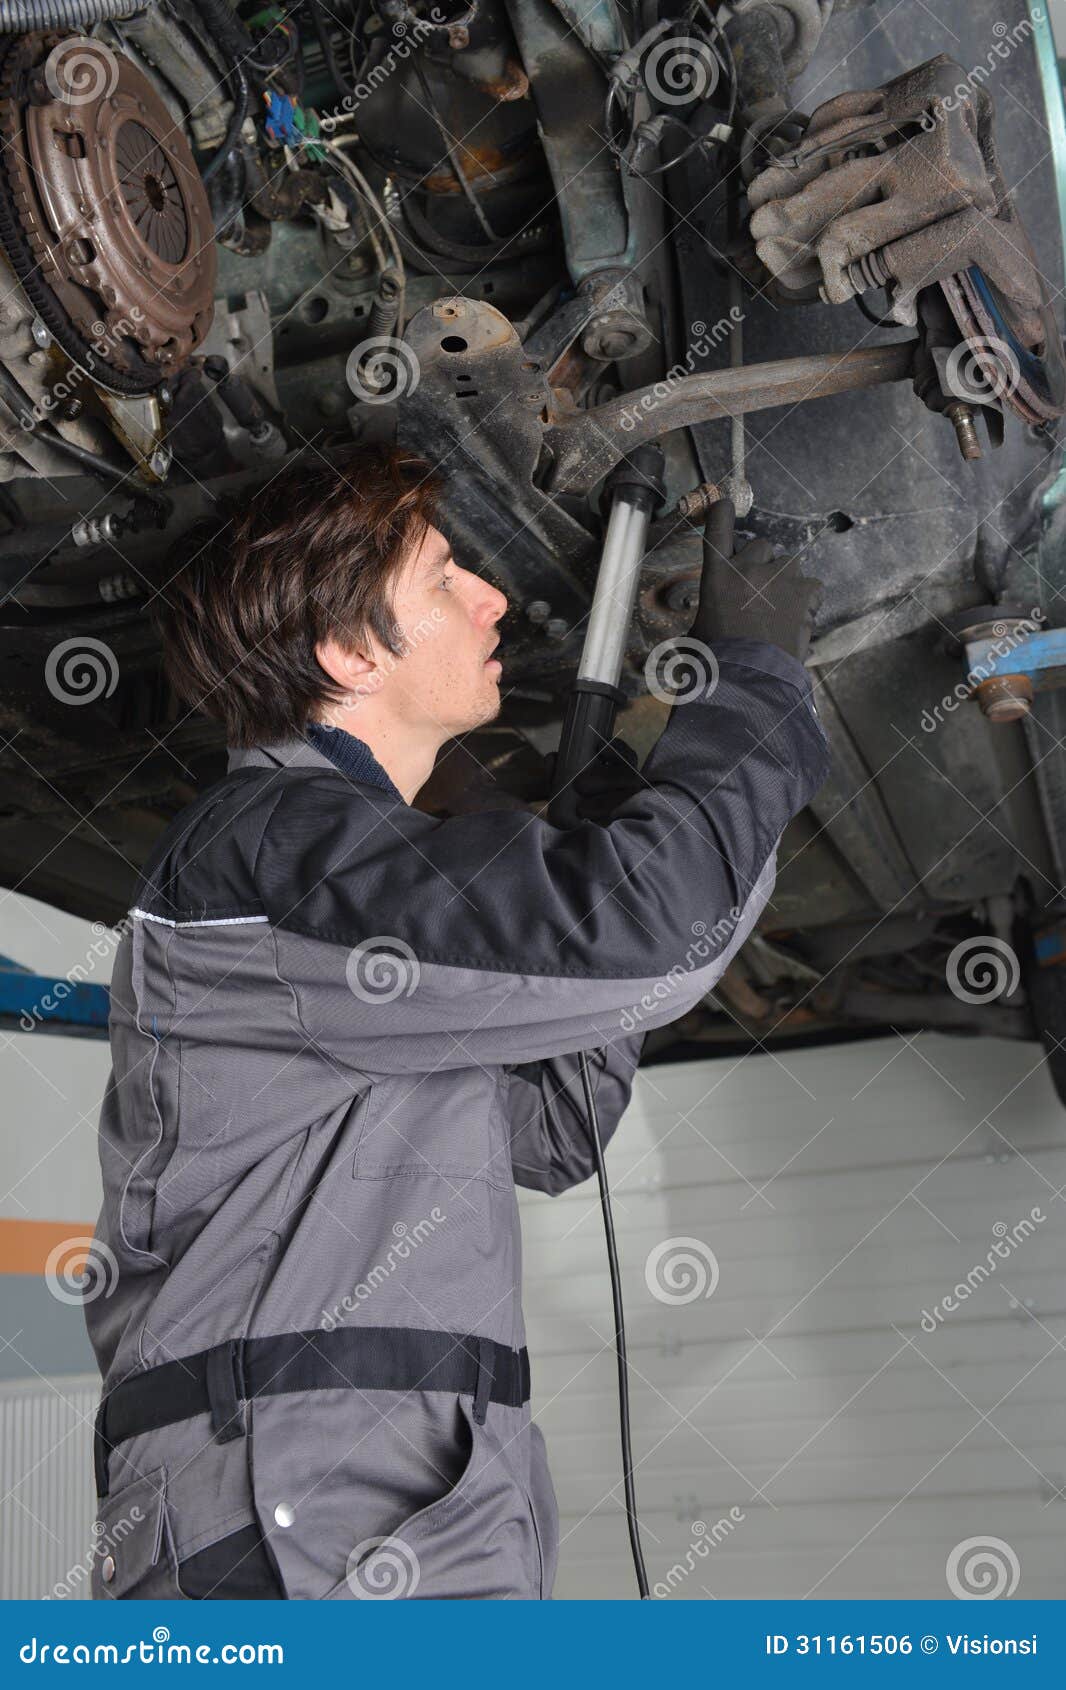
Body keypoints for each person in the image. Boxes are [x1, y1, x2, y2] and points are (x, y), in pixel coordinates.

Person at [84, 442, 829, 1600]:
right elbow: (649, 938)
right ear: (346, 652)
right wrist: (751, 690)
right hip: (303, 1509)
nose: (490, 597)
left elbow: (552, 1128)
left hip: (390, 1498)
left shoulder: (330, 871)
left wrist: (592, 826)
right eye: (443, 577)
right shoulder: (270, 845)